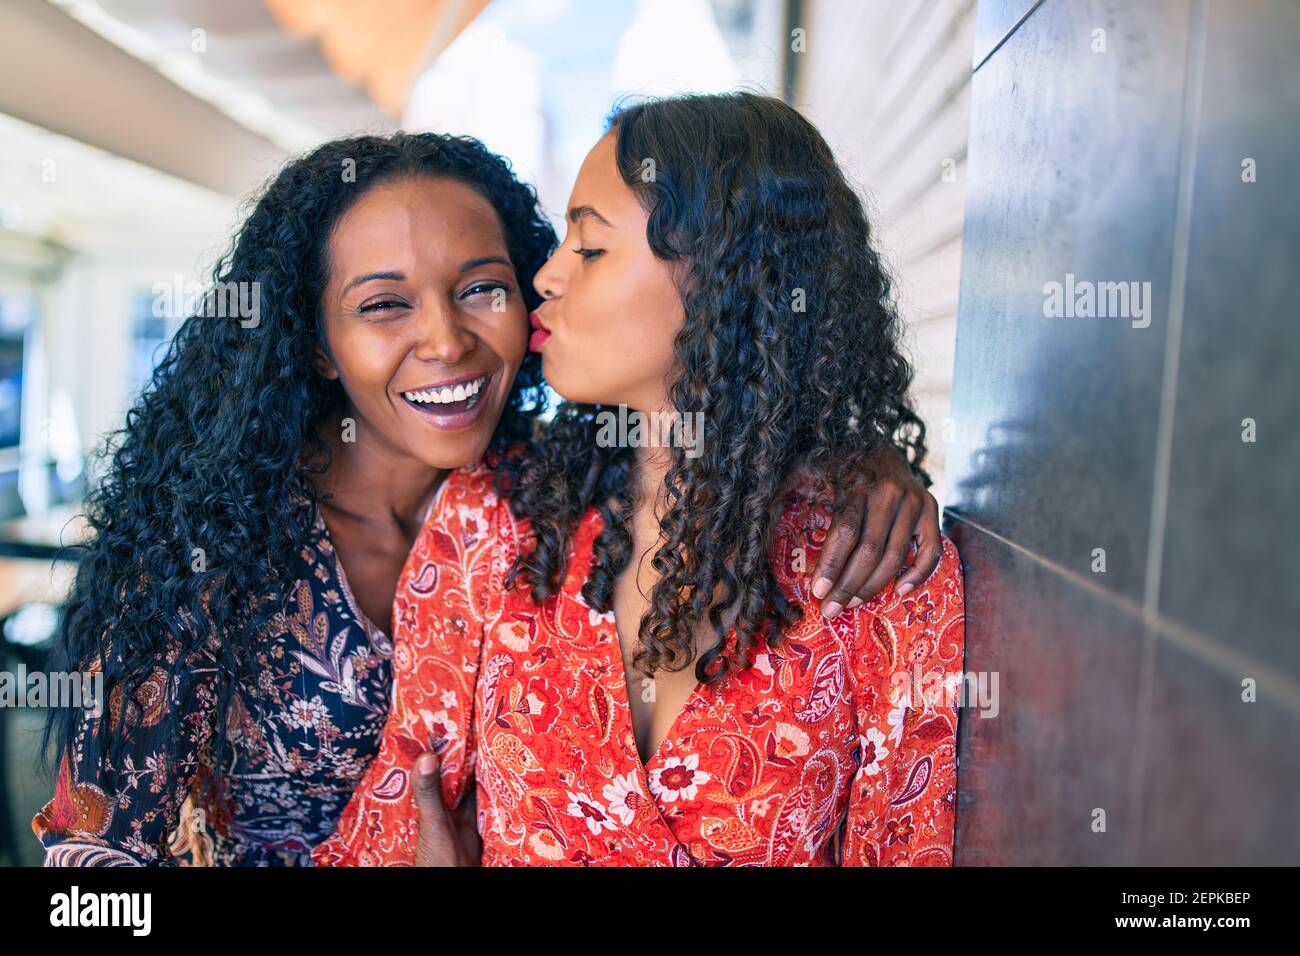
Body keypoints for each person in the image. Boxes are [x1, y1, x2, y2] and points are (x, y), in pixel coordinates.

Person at [35, 130, 941, 866]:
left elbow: (723, 425)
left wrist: (857, 461)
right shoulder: (213, 539)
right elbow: (89, 856)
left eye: (482, 289)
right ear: (314, 344)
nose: (448, 342)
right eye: (384, 306)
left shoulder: (536, 500)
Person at [313, 92, 965, 867]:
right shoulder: (493, 521)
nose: (545, 279)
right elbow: (382, 830)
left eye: (588, 249)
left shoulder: (878, 566)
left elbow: (907, 846)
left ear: (726, 280)